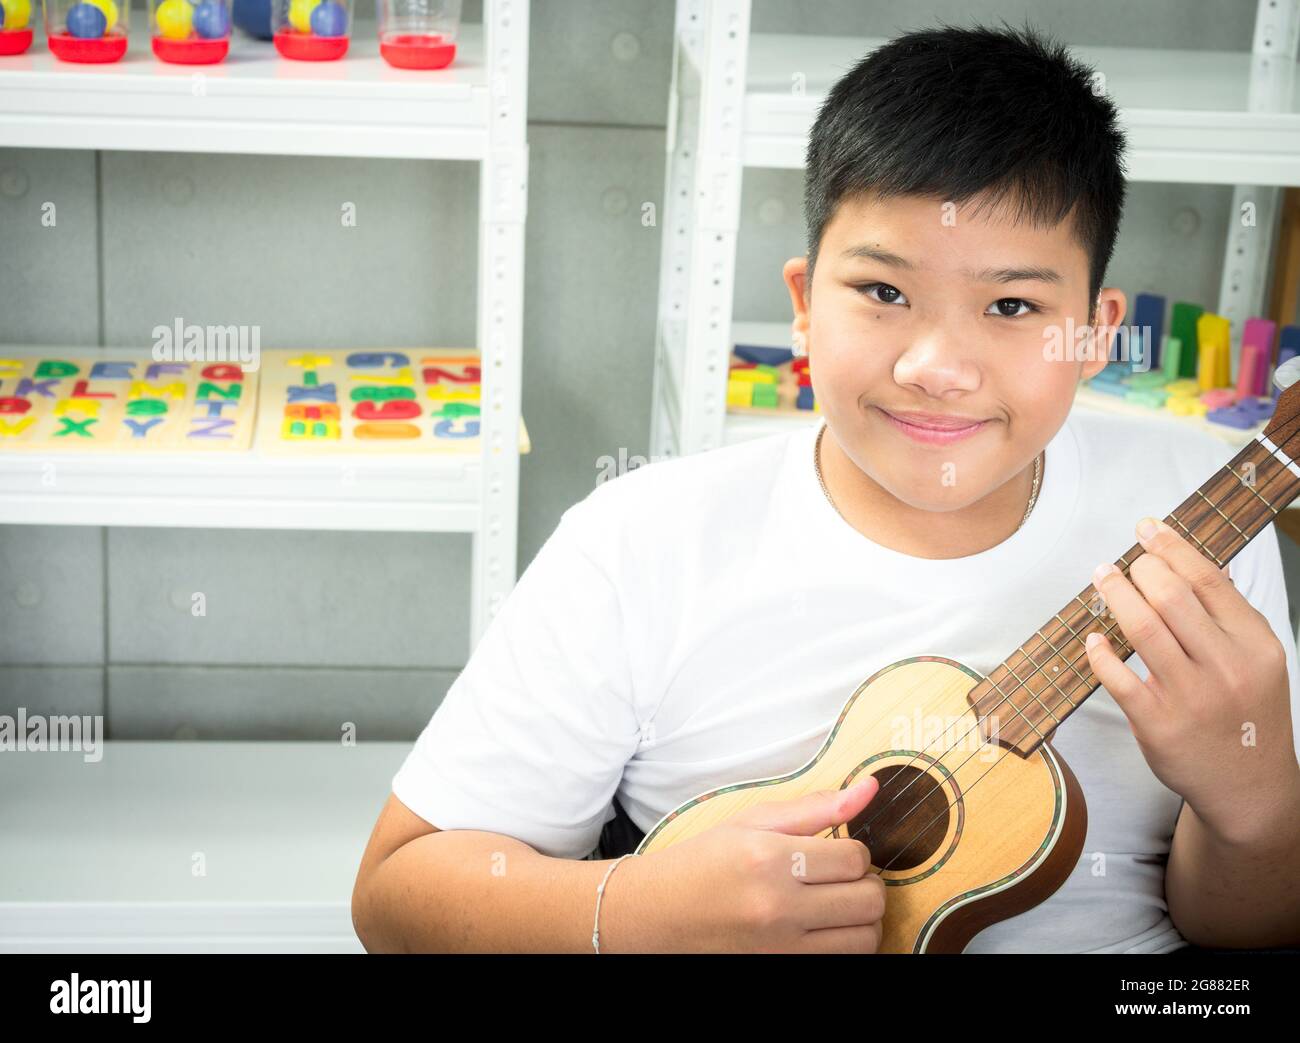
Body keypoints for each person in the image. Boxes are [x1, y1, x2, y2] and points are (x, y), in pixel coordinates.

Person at [351, 23, 1300, 953]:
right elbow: (397, 893)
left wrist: (1252, 803)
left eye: (1013, 306)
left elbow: (1245, 929)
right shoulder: (640, 543)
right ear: (805, 306)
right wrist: (629, 910)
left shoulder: (1196, 522)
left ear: (1094, 332)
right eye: (884, 293)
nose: (938, 366)